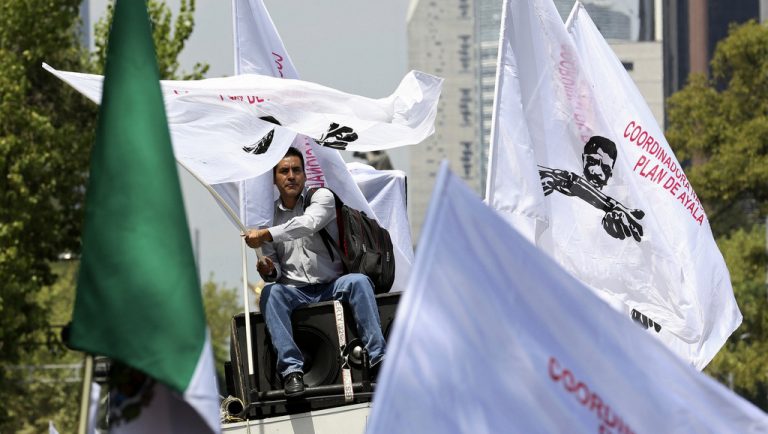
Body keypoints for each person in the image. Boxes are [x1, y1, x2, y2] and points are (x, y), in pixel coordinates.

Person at [244, 147, 386, 397]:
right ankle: (291, 372)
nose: (291, 176)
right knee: (271, 293)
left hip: (332, 285)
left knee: (359, 282)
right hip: (295, 291)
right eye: (284, 171)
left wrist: (266, 234)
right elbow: (274, 270)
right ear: (274, 179)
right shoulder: (268, 216)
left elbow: (307, 224)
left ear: (305, 175)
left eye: (296, 170)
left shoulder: (321, 198)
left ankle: (378, 359)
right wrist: (268, 269)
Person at [539, 136, 644, 241]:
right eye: (592, 162)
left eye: (605, 168)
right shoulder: (559, 182)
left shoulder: (620, 202)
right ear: (583, 159)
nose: (597, 171)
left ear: (611, 172)